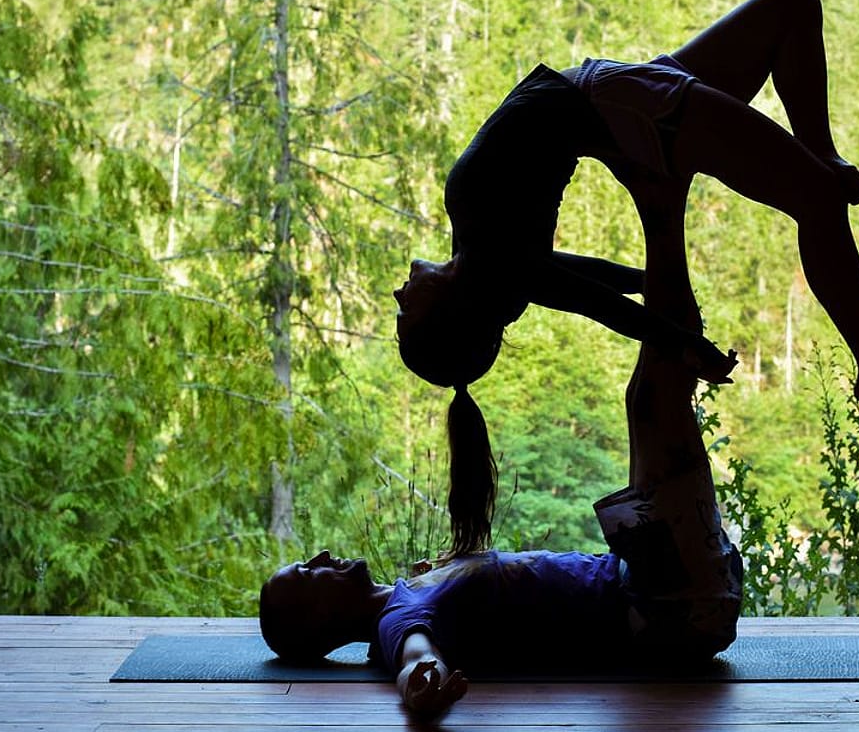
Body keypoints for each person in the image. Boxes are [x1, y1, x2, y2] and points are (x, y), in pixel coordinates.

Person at [394, 0, 859, 557]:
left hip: (620, 95)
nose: (399, 295)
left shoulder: (486, 257)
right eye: (406, 313)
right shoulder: (484, 249)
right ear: (449, 313)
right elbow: (601, 305)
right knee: (818, 196)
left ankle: (821, 153)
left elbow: (580, 281)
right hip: (628, 110)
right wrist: (686, 341)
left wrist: (649, 286)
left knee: (793, 7)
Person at [261, 174, 742, 717]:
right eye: (306, 572)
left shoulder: (410, 589)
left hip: (661, 588)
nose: (319, 557)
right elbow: (415, 656)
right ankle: (665, 184)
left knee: (649, 394)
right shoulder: (398, 620)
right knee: (654, 397)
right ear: (317, 618)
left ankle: (665, 206)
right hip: (669, 602)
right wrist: (421, 681)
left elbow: (547, 276)